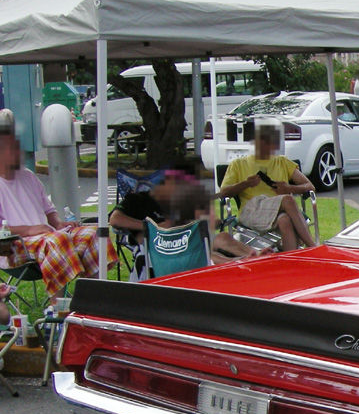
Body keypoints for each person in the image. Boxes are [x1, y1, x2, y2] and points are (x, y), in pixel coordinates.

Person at [0, 108, 113, 295]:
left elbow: (48, 210)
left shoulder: (28, 176)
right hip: (12, 248)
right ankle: (58, 307)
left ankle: (93, 296)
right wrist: (30, 230)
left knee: (91, 235)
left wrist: (60, 224)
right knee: (56, 240)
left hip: (46, 238)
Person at [110, 164, 260, 277]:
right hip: (157, 248)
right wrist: (150, 227)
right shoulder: (137, 200)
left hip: (185, 241)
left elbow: (201, 223)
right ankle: (240, 262)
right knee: (198, 252)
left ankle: (256, 256)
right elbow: (115, 219)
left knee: (221, 237)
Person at [215, 118, 318, 251]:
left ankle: (290, 262)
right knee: (288, 199)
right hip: (252, 211)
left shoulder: (282, 162)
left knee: (285, 220)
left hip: (279, 210)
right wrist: (246, 184)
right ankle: (312, 247)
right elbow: (223, 193)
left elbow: (310, 187)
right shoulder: (239, 164)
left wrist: (289, 188)